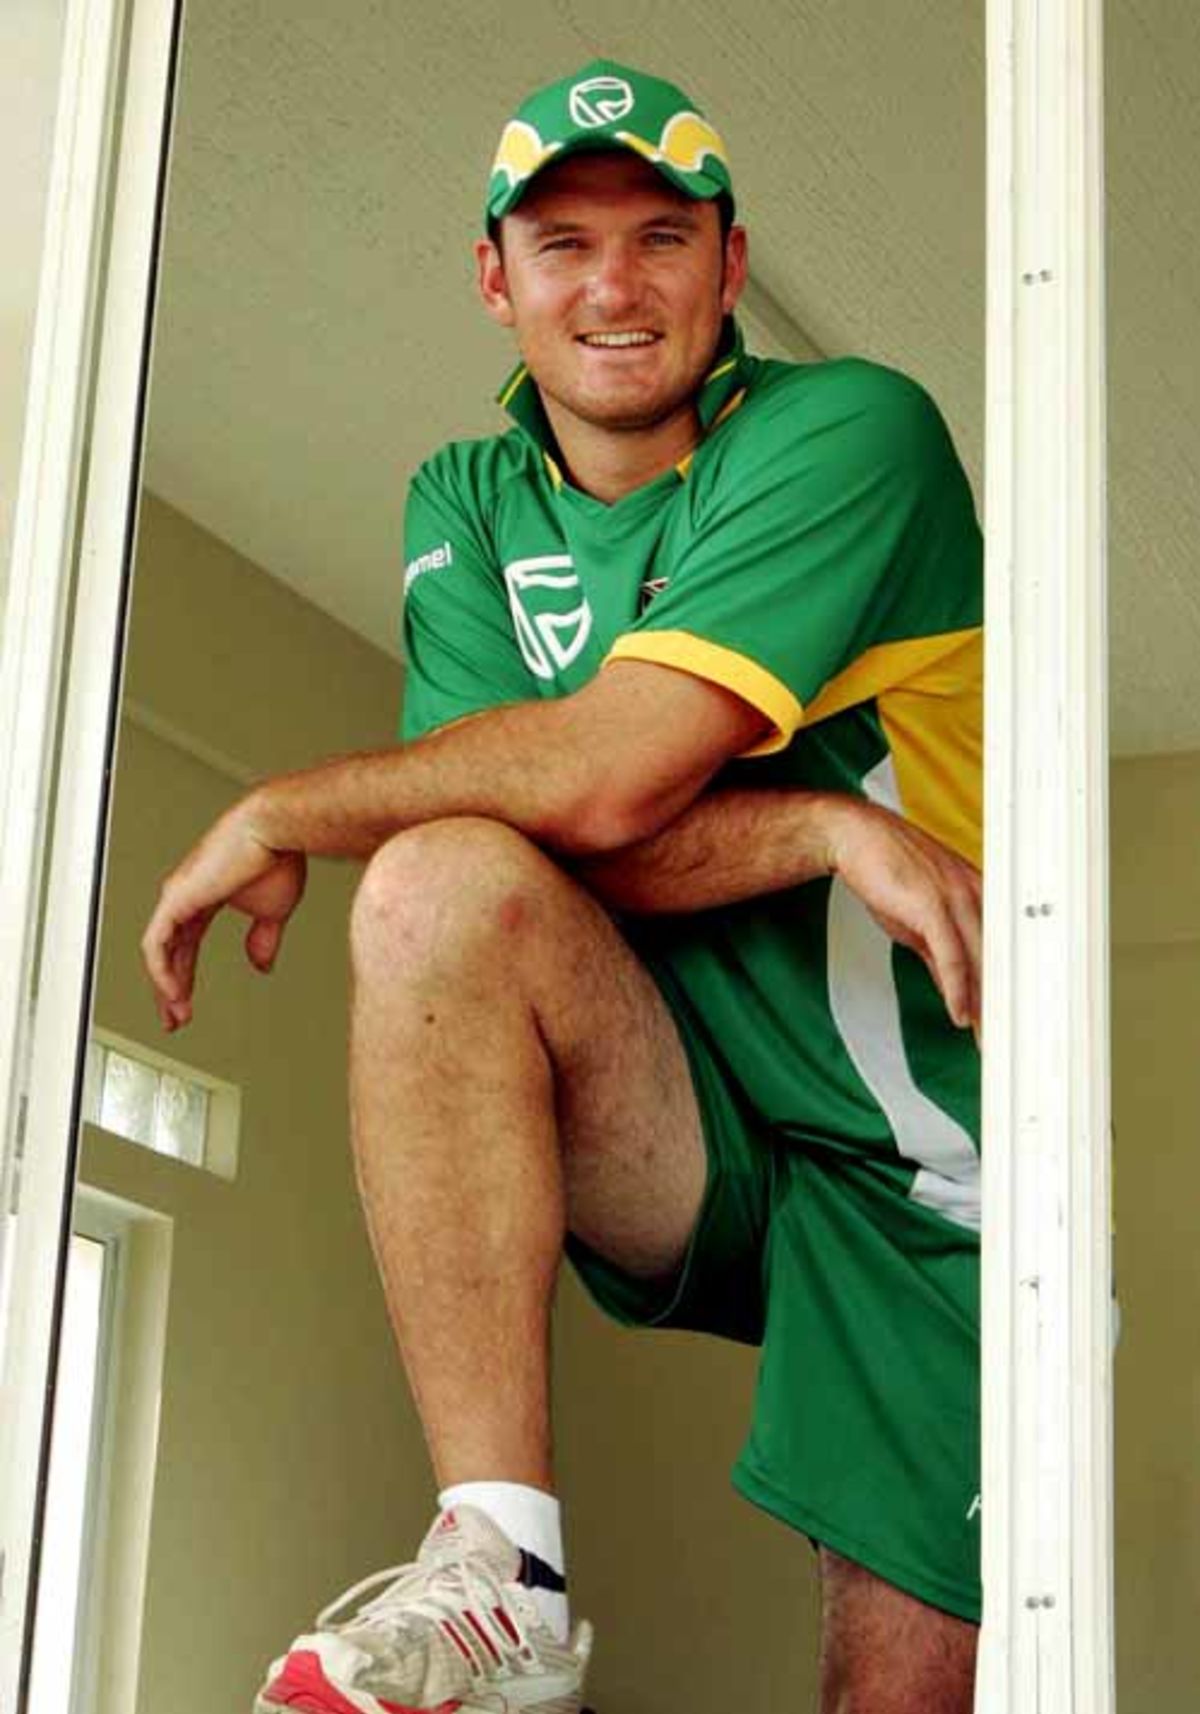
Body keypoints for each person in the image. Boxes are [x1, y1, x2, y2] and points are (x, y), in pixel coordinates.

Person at [142, 59, 985, 1714]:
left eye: (663, 237)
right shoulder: (465, 502)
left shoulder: (847, 431)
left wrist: (283, 806)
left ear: (732, 268)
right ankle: (503, 1576)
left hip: (929, 1172)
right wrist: (818, 829)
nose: (615, 286)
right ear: (495, 278)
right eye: (564, 243)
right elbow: (532, 819)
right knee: (438, 880)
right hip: (689, 1110)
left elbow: (604, 776)